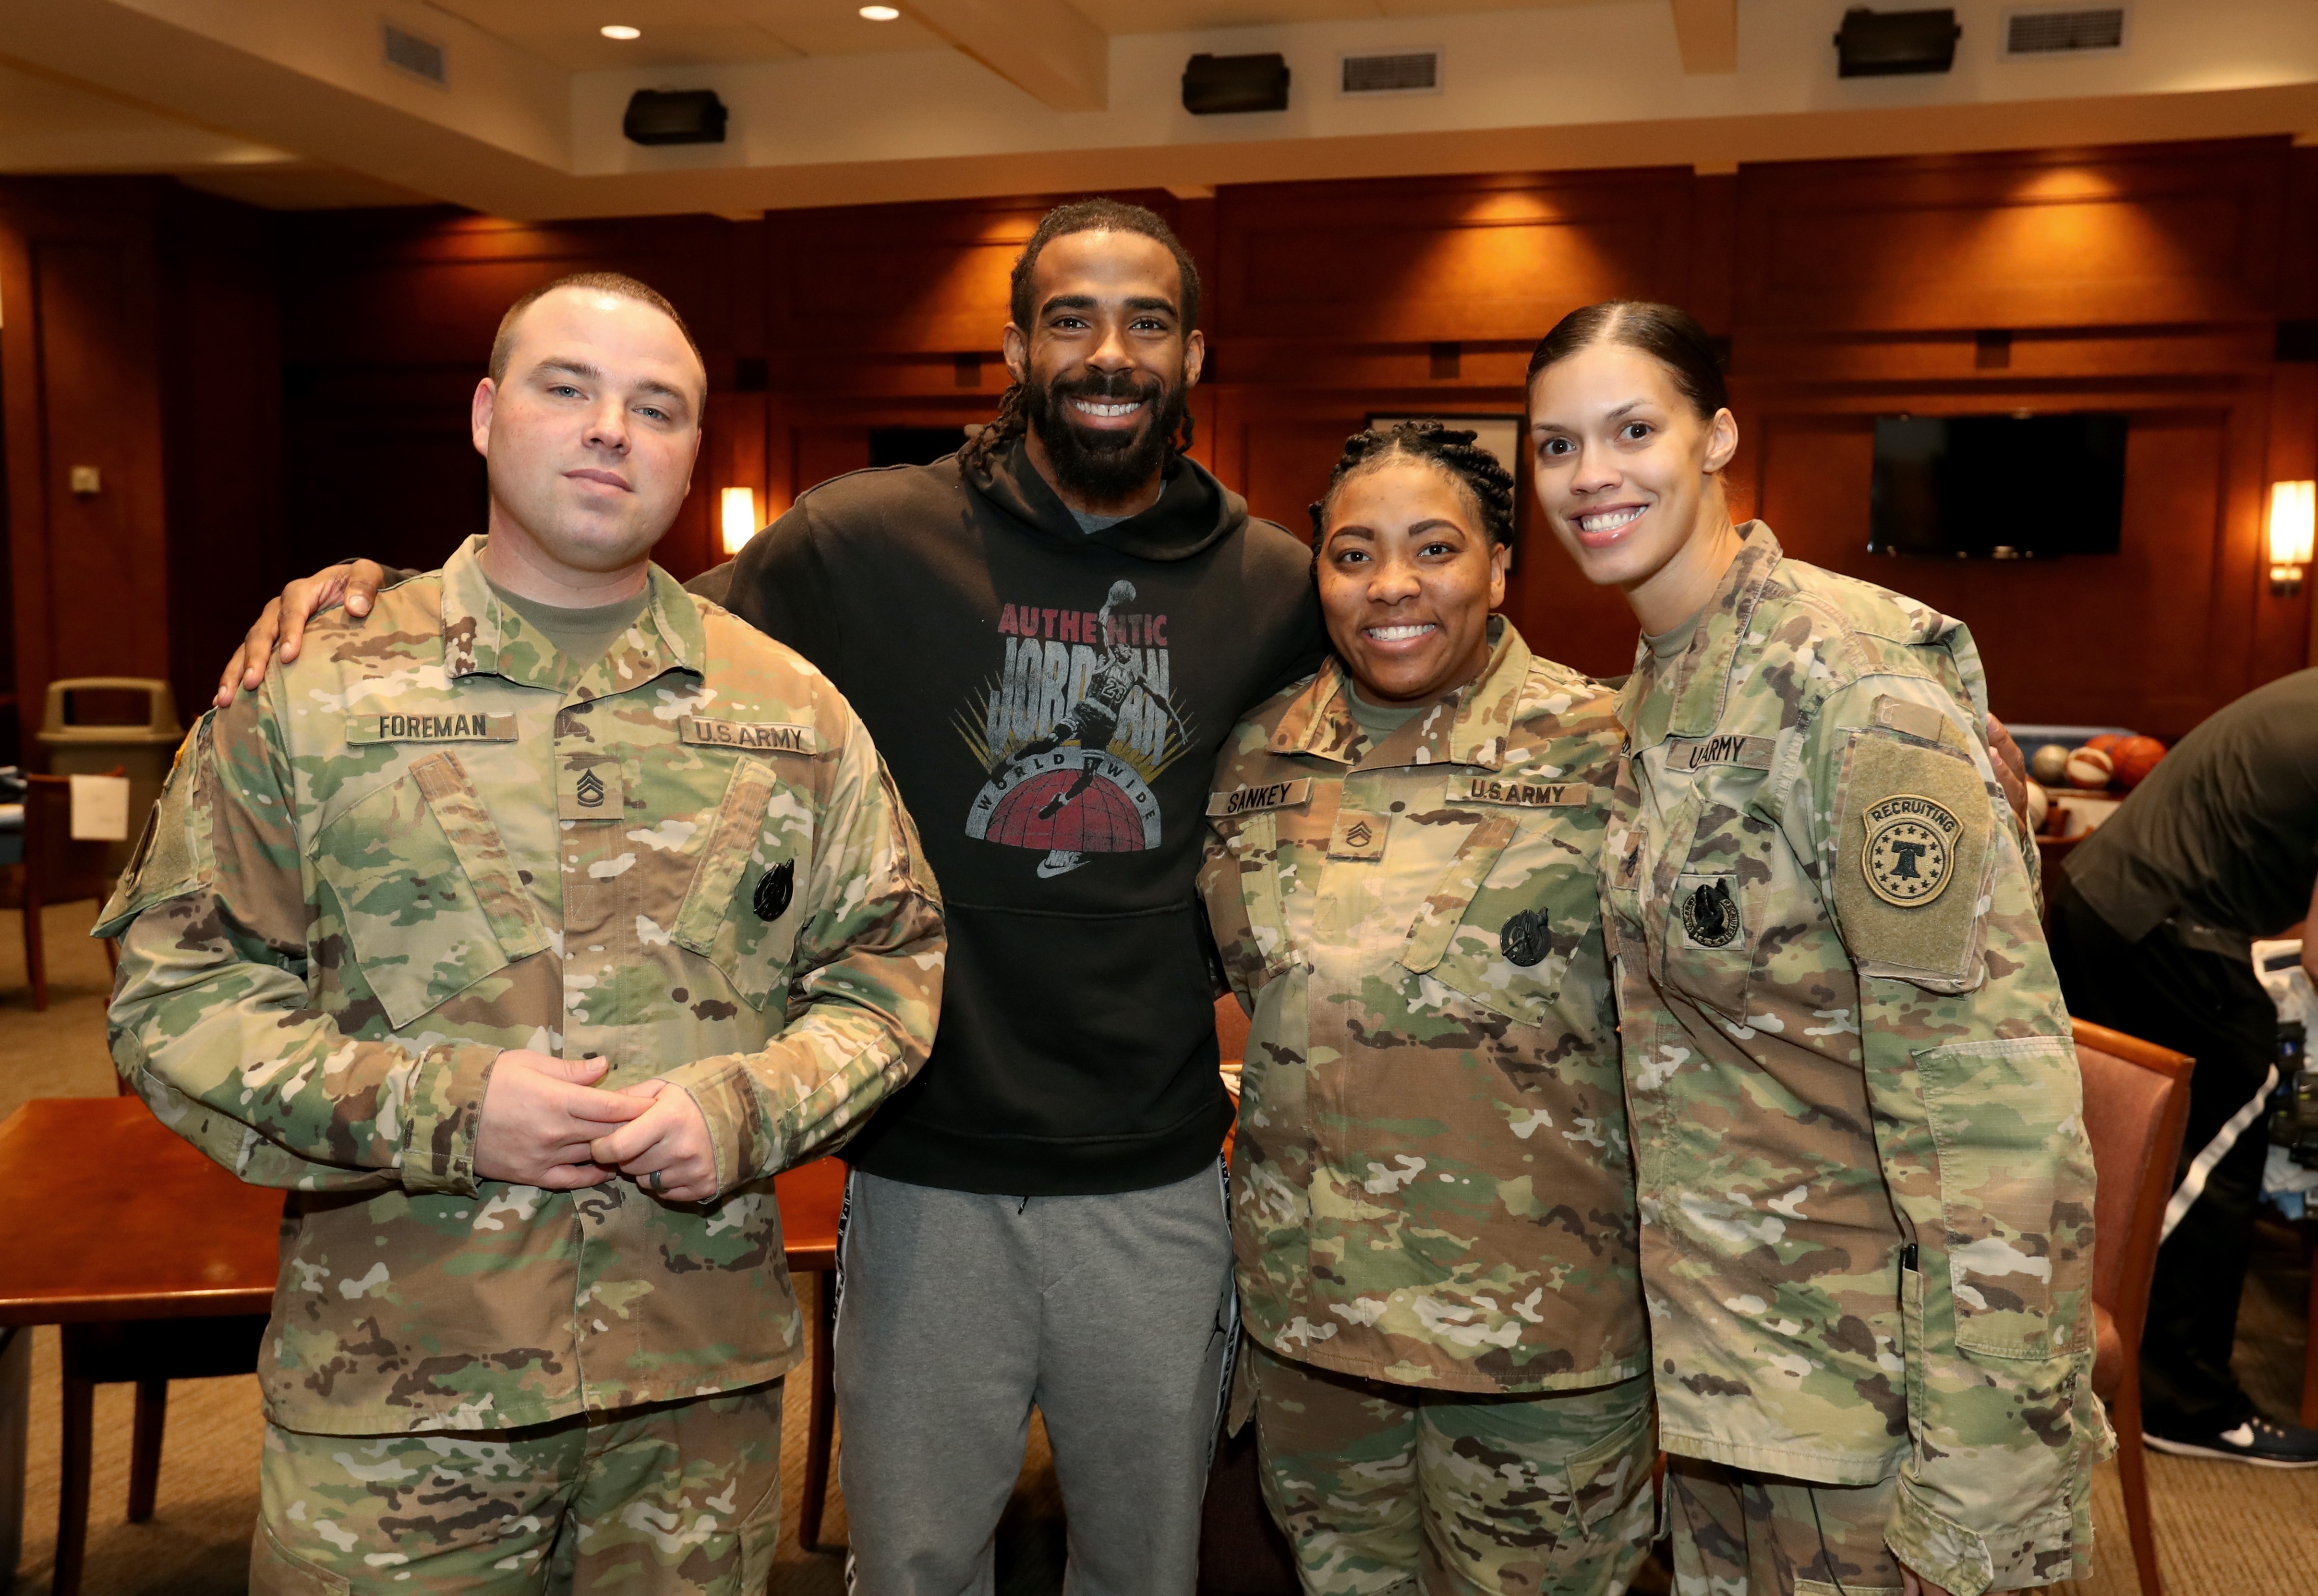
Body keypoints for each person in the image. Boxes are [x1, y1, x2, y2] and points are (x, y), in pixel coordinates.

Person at [213, 202, 1328, 1595]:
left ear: (1196, 353)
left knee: (1150, 1562)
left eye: (1147, 322)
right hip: (927, 1166)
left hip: (1154, 1166)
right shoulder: (864, 538)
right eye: (1069, 318)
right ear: (1012, 345)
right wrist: (373, 596)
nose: (1109, 352)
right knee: (912, 1558)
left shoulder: (1276, 580)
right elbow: (605, 617)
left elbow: (1426, 661)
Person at [99, 273, 946, 1594]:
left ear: (689, 454)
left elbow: (888, 978)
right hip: (395, 1398)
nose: (612, 427)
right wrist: (444, 1108)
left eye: (655, 406)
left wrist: (742, 1107)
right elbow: (174, 999)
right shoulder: (310, 689)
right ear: (489, 415)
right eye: (569, 388)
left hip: (690, 1401)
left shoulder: (793, 711)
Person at [1525, 302, 2098, 1596]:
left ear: (1718, 435)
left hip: (1878, 1408)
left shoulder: (1851, 687)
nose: (1591, 475)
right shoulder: (1659, 687)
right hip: (1735, 1385)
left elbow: (1993, 1109)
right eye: (1556, 446)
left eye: (1631, 430)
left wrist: (1981, 1480)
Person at [1200, 423, 1655, 1593]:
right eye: (1353, 555)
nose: (1391, 585)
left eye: (1435, 548)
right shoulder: (1257, 759)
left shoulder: (1613, 750)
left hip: (1541, 1346)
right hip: (1315, 1338)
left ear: (1501, 566)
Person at [2044, 670, 2318, 1466]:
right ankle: (2180, 1402)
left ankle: (2091, 1361)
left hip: (2104, 898)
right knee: (2219, 1141)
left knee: (2138, 1160)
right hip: (2161, 925)